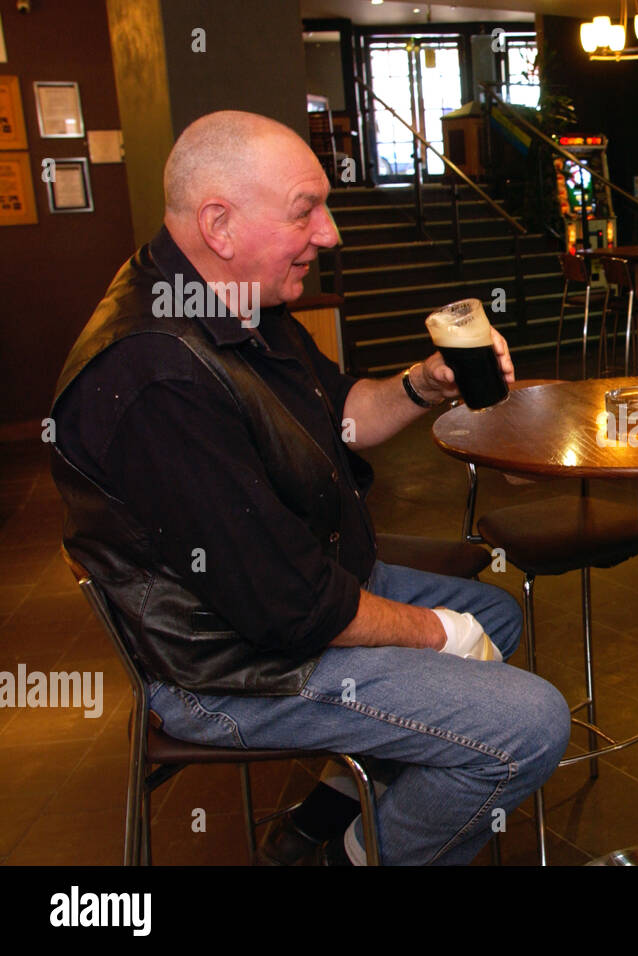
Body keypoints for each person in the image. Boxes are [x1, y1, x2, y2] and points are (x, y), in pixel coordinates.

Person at [49, 110, 570, 865]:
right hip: (226, 666)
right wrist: (437, 634)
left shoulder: (232, 299)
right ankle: (350, 857)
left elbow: (344, 418)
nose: (330, 234)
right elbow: (288, 608)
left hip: (290, 594)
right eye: (306, 211)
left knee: (493, 612)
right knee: (528, 723)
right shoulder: (156, 377)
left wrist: (424, 384)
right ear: (220, 224)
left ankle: (322, 812)